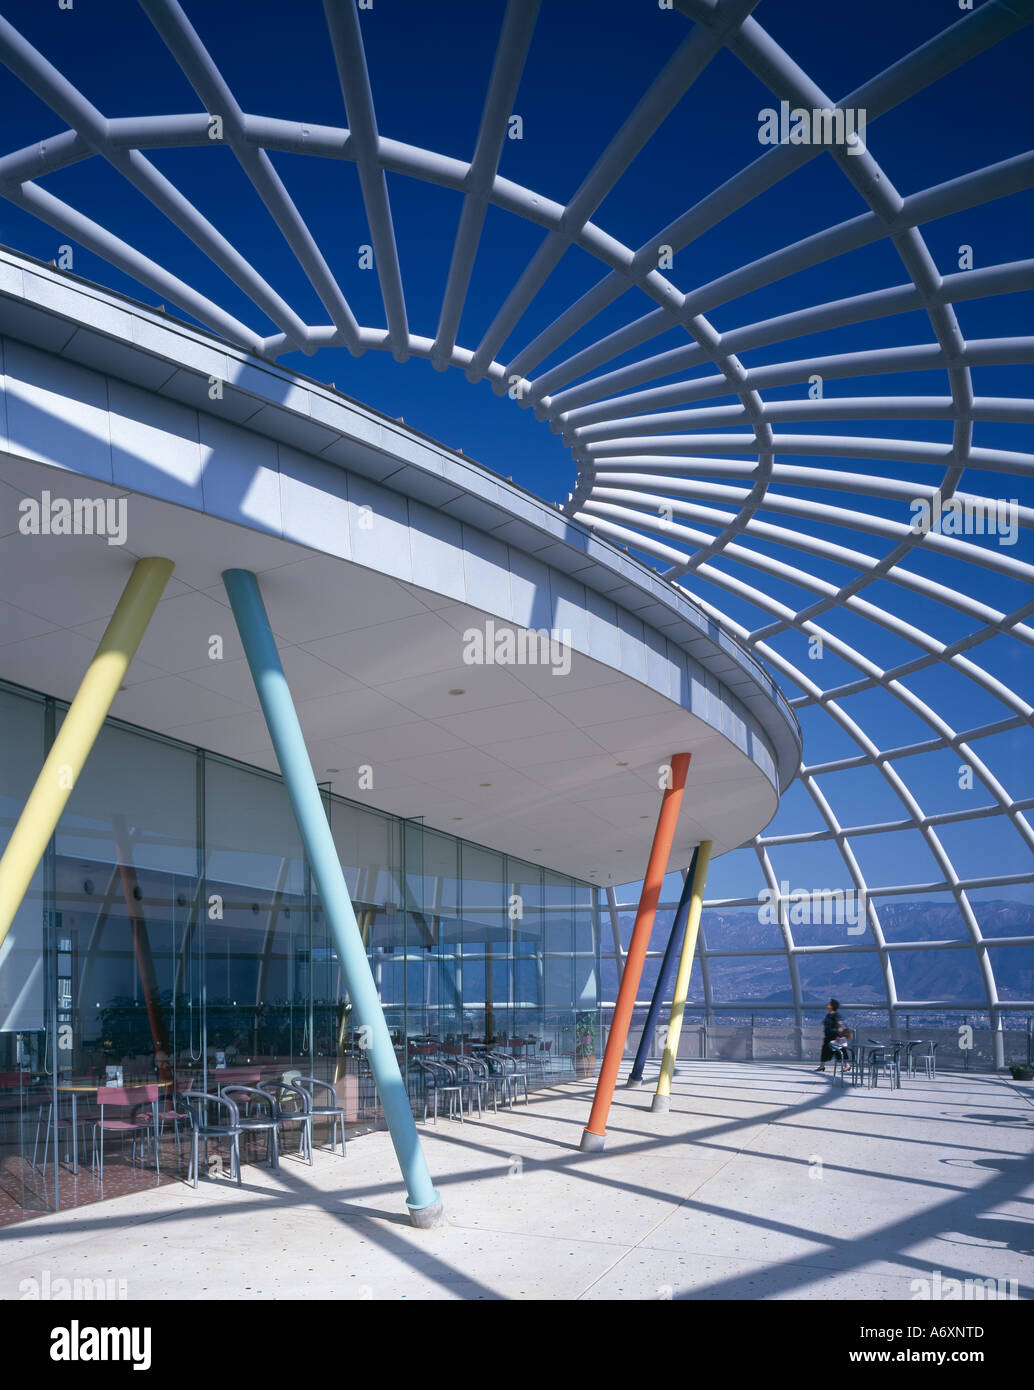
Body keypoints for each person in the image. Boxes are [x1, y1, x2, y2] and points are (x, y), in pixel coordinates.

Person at [815, 998, 843, 1072]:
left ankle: (847, 1065)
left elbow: (839, 1025)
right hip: (828, 1036)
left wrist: (838, 1035)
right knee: (825, 1050)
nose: (827, 1005)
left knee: (838, 1051)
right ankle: (822, 1066)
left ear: (832, 1006)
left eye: (829, 1004)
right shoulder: (829, 1015)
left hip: (834, 1036)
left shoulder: (836, 1015)